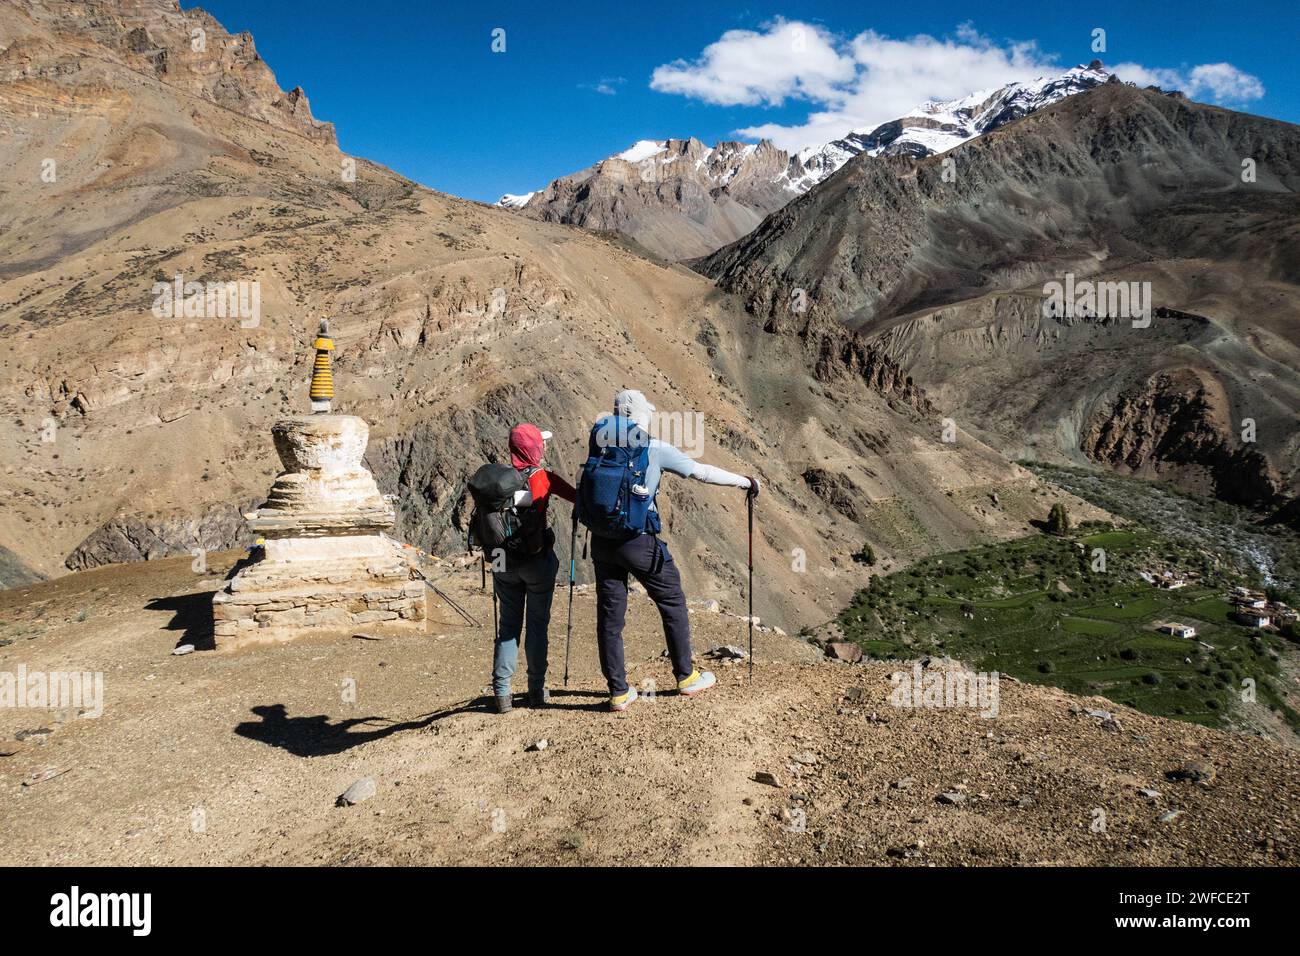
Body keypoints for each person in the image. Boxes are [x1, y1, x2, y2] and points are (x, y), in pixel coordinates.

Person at [579, 389, 760, 712]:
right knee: (672, 600)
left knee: (610, 617)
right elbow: (700, 472)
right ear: (642, 416)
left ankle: (619, 692)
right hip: (638, 541)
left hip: (602, 541)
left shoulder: (601, 447)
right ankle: (686, 677)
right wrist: (744, 481)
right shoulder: (654, 448)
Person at [489, 424, 576, 714]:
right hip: (535, 561)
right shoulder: (541, 477)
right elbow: (577, 497)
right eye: (542, 444)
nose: (545, 448)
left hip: (502, 561)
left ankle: (502, 694)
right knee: (537, 625)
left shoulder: (498, 480)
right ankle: (536, 691)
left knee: (509, 626)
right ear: (534, 449)